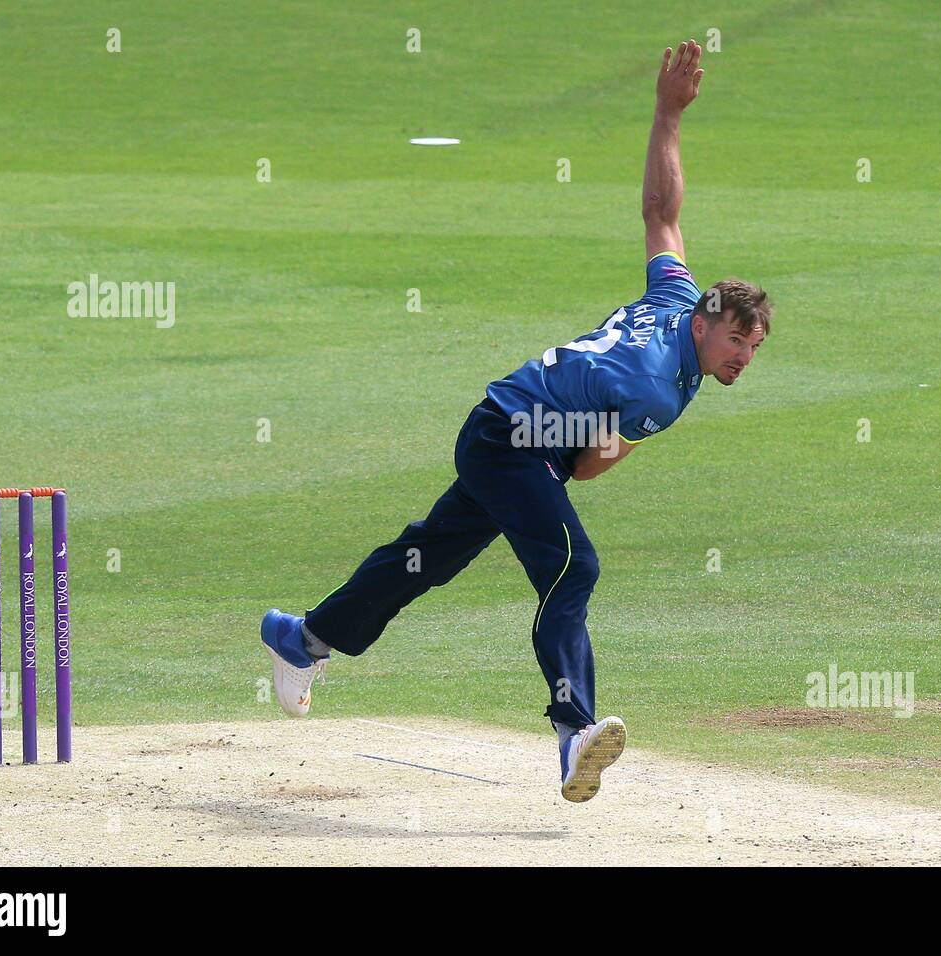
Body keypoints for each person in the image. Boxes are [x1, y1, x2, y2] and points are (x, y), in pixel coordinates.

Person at [262, 39, 771, 803]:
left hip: (503, 428)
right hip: (515, 439)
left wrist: (667, 115)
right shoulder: (658, 394)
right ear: (706, 325)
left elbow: (661, 213)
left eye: (754, 348)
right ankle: (574, 733)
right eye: (737, 341)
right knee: (573, 566)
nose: (743, 359)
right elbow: (592, 463)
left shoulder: (676, 299)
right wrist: (608, 450)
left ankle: (302, 638)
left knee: (425, 558)